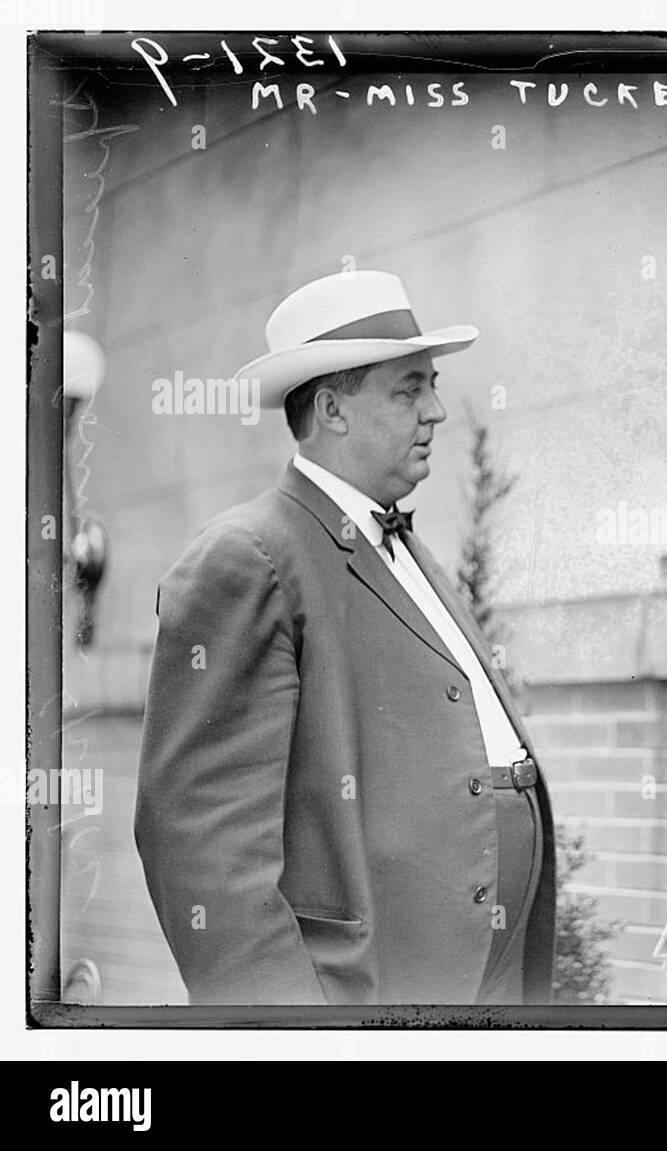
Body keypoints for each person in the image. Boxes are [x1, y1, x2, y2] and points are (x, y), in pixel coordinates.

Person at [134, 270, 555, 1006]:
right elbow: (201, 850)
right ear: (331, 407)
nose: (437, 411)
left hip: (486, 972)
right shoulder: (249, 554)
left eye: (432, 385)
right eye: (408, 389)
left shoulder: (403, 544)